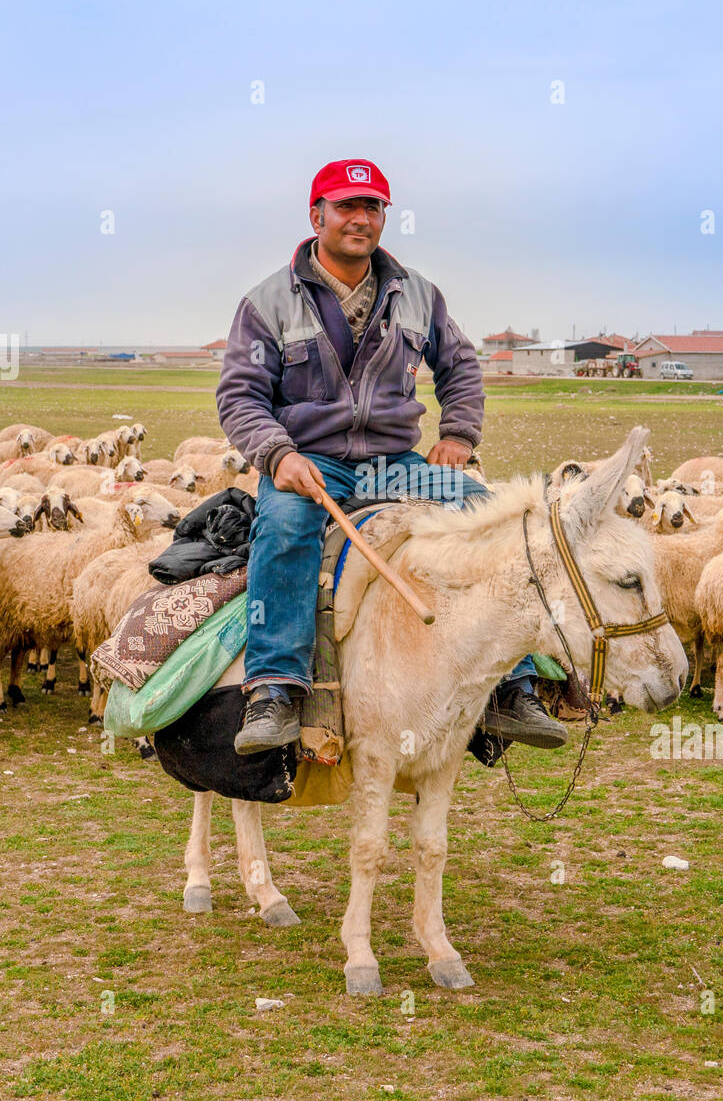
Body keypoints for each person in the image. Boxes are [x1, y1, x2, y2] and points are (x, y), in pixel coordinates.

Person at [215, 158, 567, 758]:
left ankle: (514, 684)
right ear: (316, 215)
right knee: (283, 528)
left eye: (372, 207)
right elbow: (240, 394)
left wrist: (458, 434)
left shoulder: (419, 295)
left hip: (392, 459)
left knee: (490, 516)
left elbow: (460, 369)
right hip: (311, 460)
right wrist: (276, 455)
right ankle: (275, 689)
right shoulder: (269, 301)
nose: (360, 219)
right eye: (346, 206)